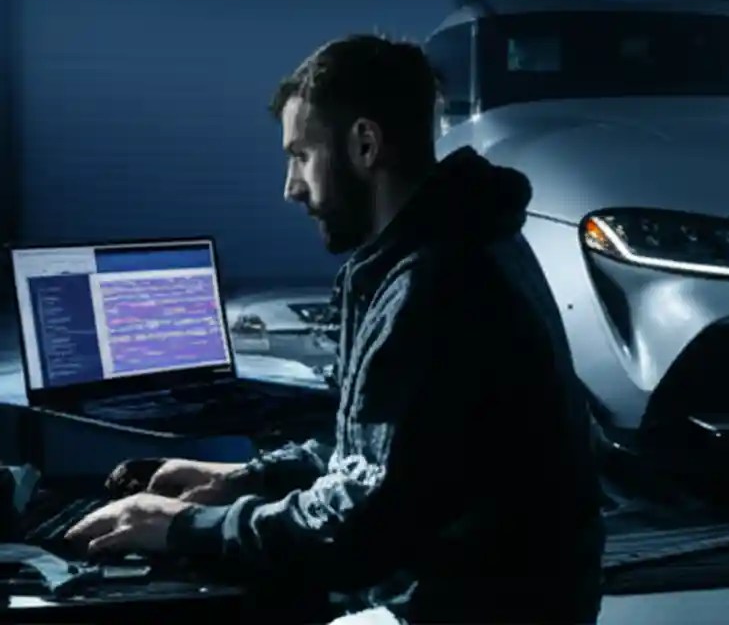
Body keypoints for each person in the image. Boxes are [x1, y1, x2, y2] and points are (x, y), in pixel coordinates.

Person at [65, 34, 607, 623]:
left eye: (300, 155)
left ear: (365, 145)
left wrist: (178, 525)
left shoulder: (434, 285)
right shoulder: (464, 241)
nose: (290, 187)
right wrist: (244, 477)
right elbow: (395, 462)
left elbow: (355, 533)